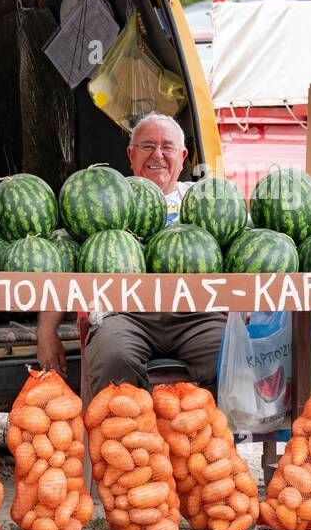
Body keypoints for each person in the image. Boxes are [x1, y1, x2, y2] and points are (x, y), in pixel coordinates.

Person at [36, 113, 226, 398]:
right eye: (147, 146)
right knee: (114, 356)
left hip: (195, 316)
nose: (157, 155)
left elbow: (240, 250)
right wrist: (46, 332)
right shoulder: (103, 200)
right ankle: (120, 438)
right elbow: (65, 263)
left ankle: (211, 437)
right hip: (123, 314)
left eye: (167, 147)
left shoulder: (204, 201)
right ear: (131, 154)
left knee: (231, 353)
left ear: (184, 155)